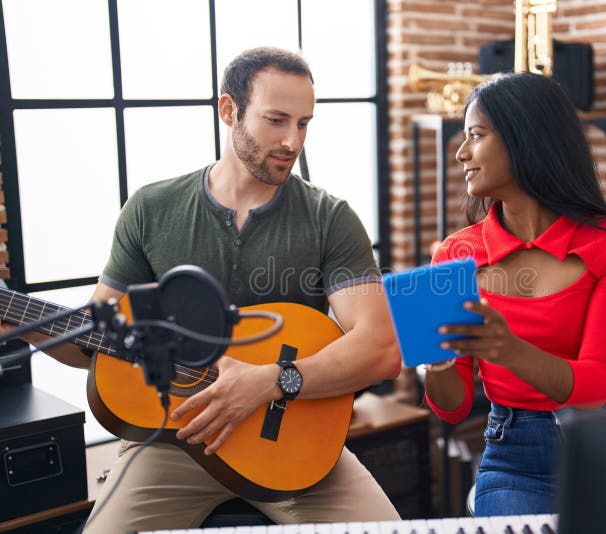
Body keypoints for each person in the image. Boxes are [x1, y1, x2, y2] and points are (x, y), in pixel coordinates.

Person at [3, 47, 402, 532]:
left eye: (304, 123)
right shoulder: (151, 209)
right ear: (228, 110)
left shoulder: (329, 218)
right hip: (171, 448)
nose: (292, 141)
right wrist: (21, 322)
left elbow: (380, 349)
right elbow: (94, 341)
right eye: (276, 120)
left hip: (290, 446)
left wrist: (271, 380)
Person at [422, 72, 606, 516]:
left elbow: (596, 388)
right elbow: (452, 409)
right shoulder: (454, 255)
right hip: (514, 457)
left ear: (527, 138)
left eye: (476, 135)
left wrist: (506, 349)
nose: (461, 153)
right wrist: (438, 361)